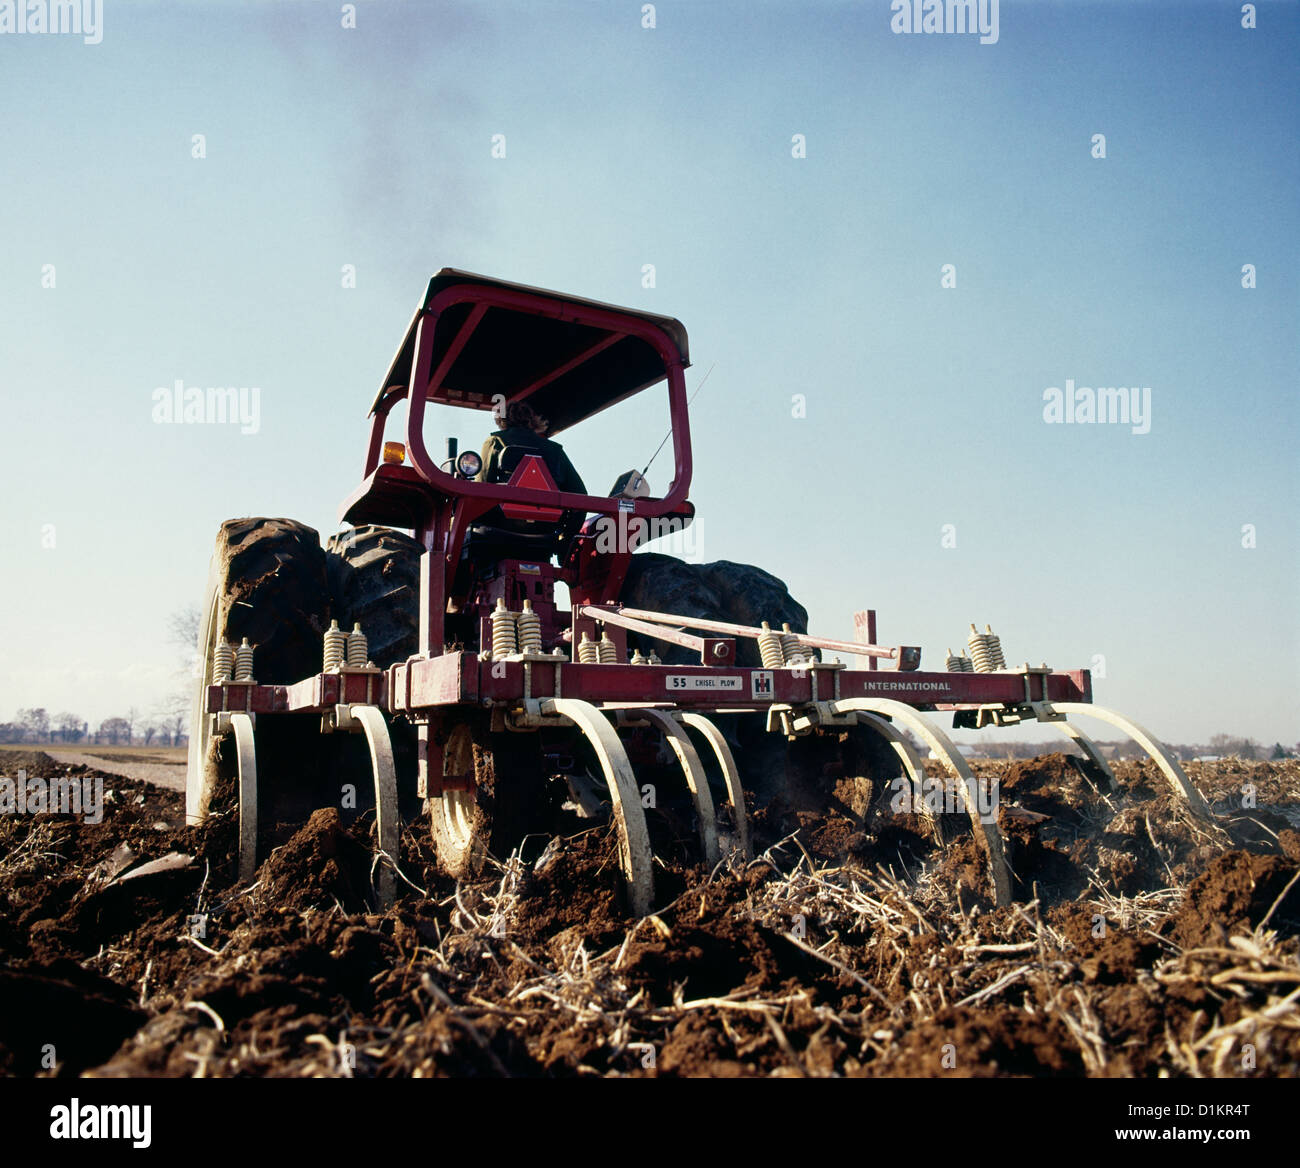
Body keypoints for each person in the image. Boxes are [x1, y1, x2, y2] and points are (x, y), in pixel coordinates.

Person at [476, 400, 587, 547]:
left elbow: (480, 488)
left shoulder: (495, 441)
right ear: (532, 420)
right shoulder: (555, 450)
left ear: (501, 421)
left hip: (499, 532)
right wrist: (565, 538)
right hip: (545, 534)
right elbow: (580, 495)